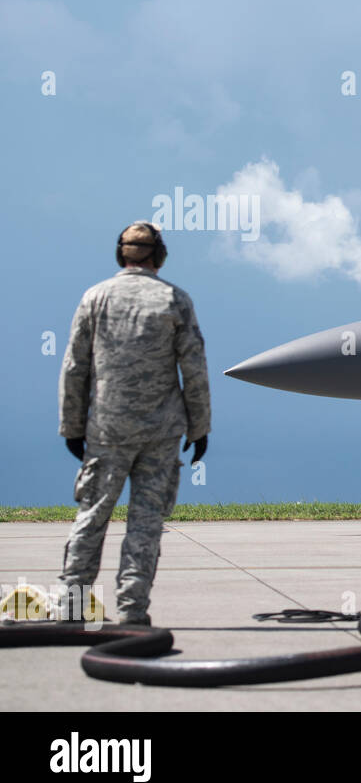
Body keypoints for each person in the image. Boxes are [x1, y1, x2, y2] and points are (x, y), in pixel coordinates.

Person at [57, 221, 211, 626]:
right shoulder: (175, 300)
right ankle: (132, 611)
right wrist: (200, 428)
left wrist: (71, 426)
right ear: (159, 256)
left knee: (91, 517)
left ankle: (71, 608)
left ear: (120, 254)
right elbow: (194, 370)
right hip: (161, 433)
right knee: (146, 523)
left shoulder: (96, 297)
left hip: (107, 429)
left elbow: (75, 367)